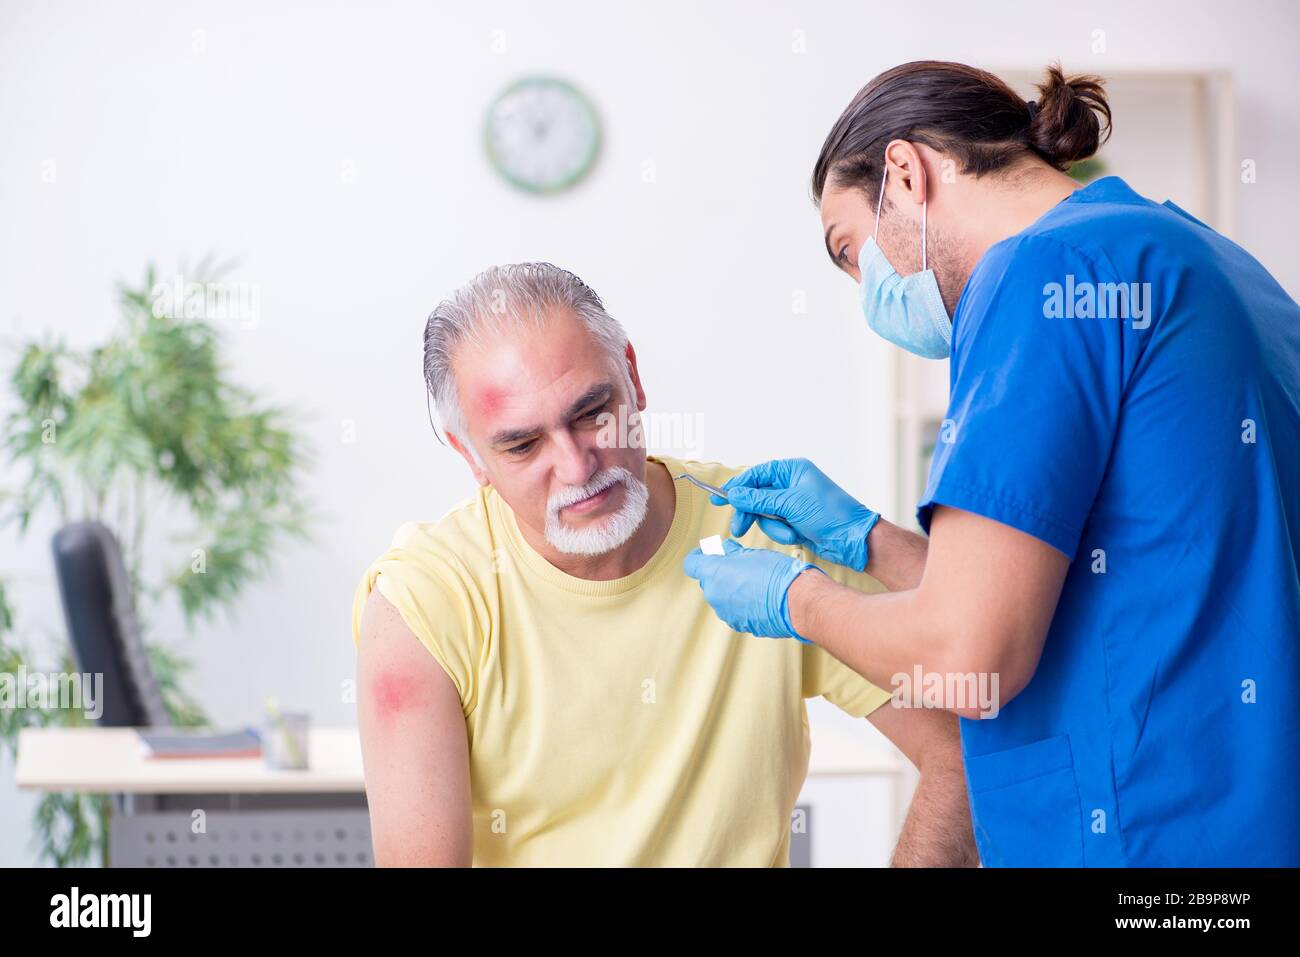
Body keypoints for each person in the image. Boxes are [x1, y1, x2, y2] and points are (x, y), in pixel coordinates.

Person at [684, 61, 1300, 866]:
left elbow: (967, 651)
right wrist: (865, 538)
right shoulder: (1202, 257)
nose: (865, 289)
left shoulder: (1039, 276)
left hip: (1146, 835)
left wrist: (792, 596)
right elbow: (1062, 589)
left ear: (905, 172)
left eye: (850, 253)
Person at [350, 262, 978, 866]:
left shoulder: (769, 530)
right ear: (470, 457)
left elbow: (963, 753)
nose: (576, 468)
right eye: (522, 444)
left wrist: (871, 541)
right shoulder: (423, 605)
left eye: (593, 413)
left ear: (633, 377)